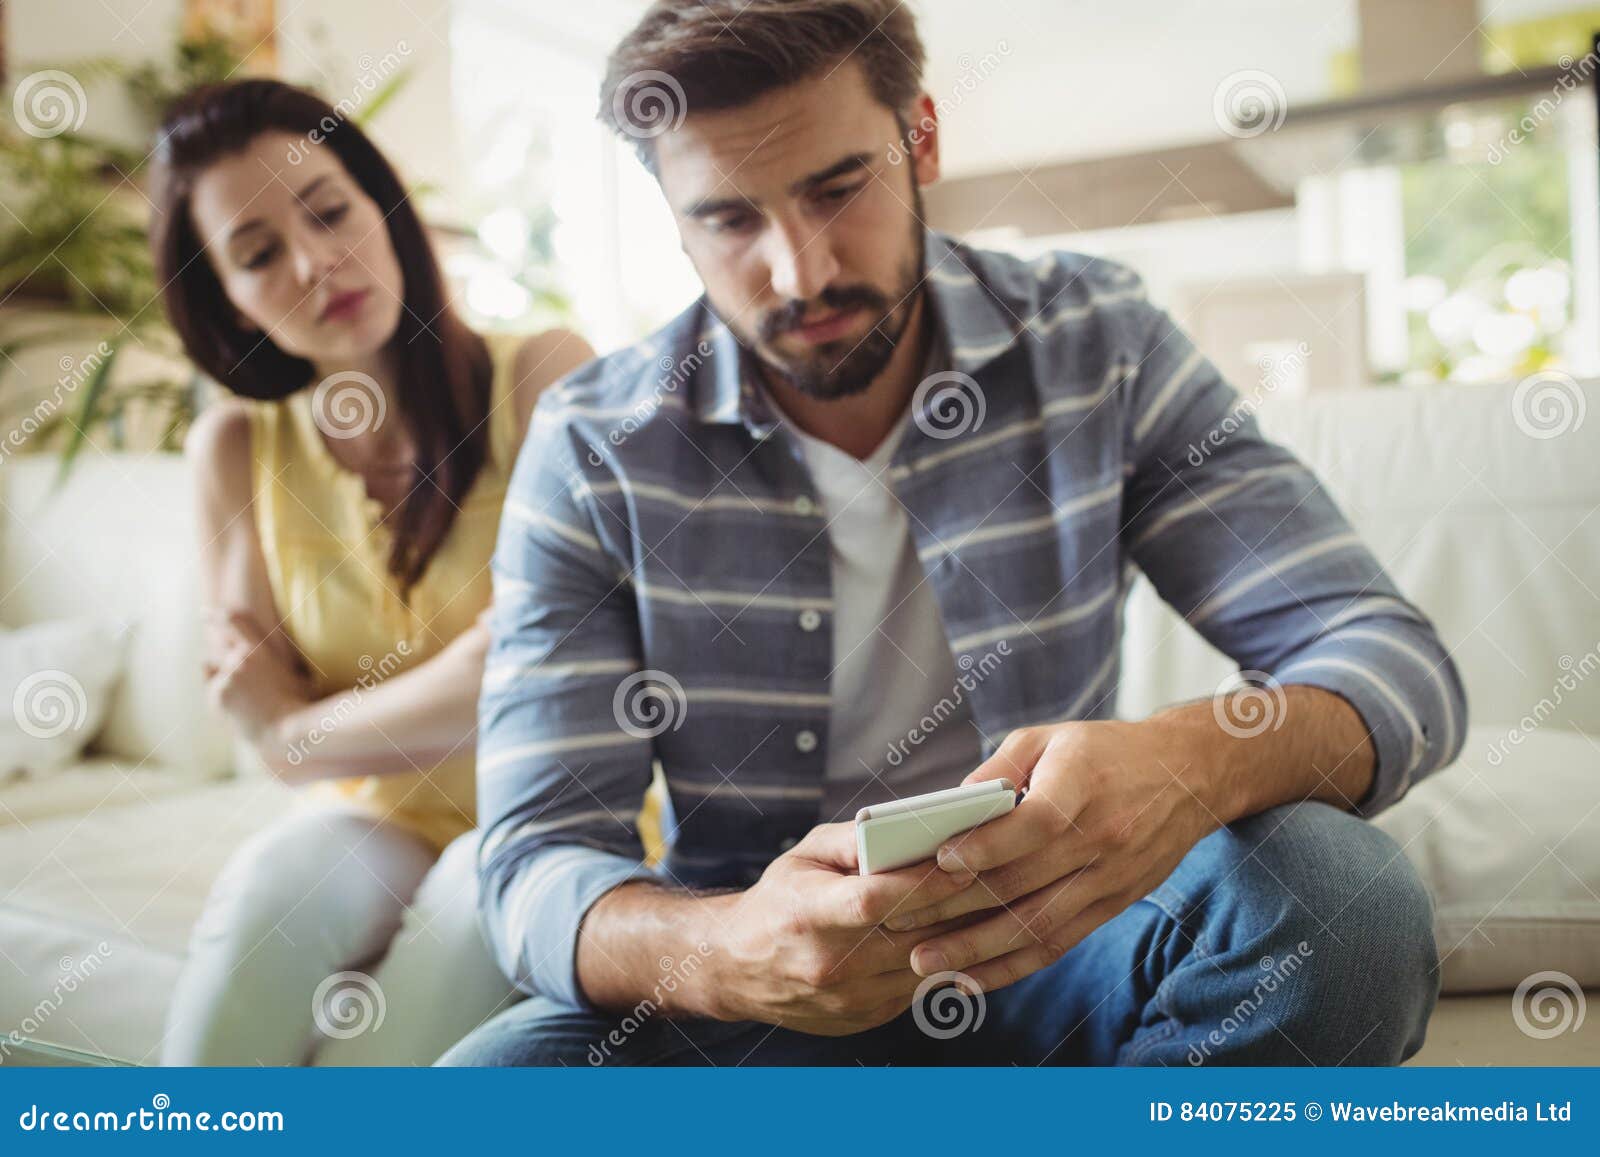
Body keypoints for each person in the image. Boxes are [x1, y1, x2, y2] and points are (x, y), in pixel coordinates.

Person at [442, 0, 1466, 1067]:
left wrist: (1188, 763)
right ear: (672, 215)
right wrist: (723, 945)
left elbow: (1389, 657)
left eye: (839, 188)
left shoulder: (1096, 345)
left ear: (920, 136)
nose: (799, 272)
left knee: (1336, 898)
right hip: (767, 994)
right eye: (729, 220)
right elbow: (533, 861)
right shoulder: (598, 443)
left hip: (1064, 938)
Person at [147, 79, 594, 1065]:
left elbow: (527, 667)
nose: (317, 262)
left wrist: (298, 728)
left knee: (467, 910)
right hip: (369, 818)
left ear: (380, 202)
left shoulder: (541, 376)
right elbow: (263, 736)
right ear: (225, 298)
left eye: (329, 210)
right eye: (258, 254)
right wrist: (290, 741)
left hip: (552, 806)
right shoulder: (232, 448)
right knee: (272, 886)